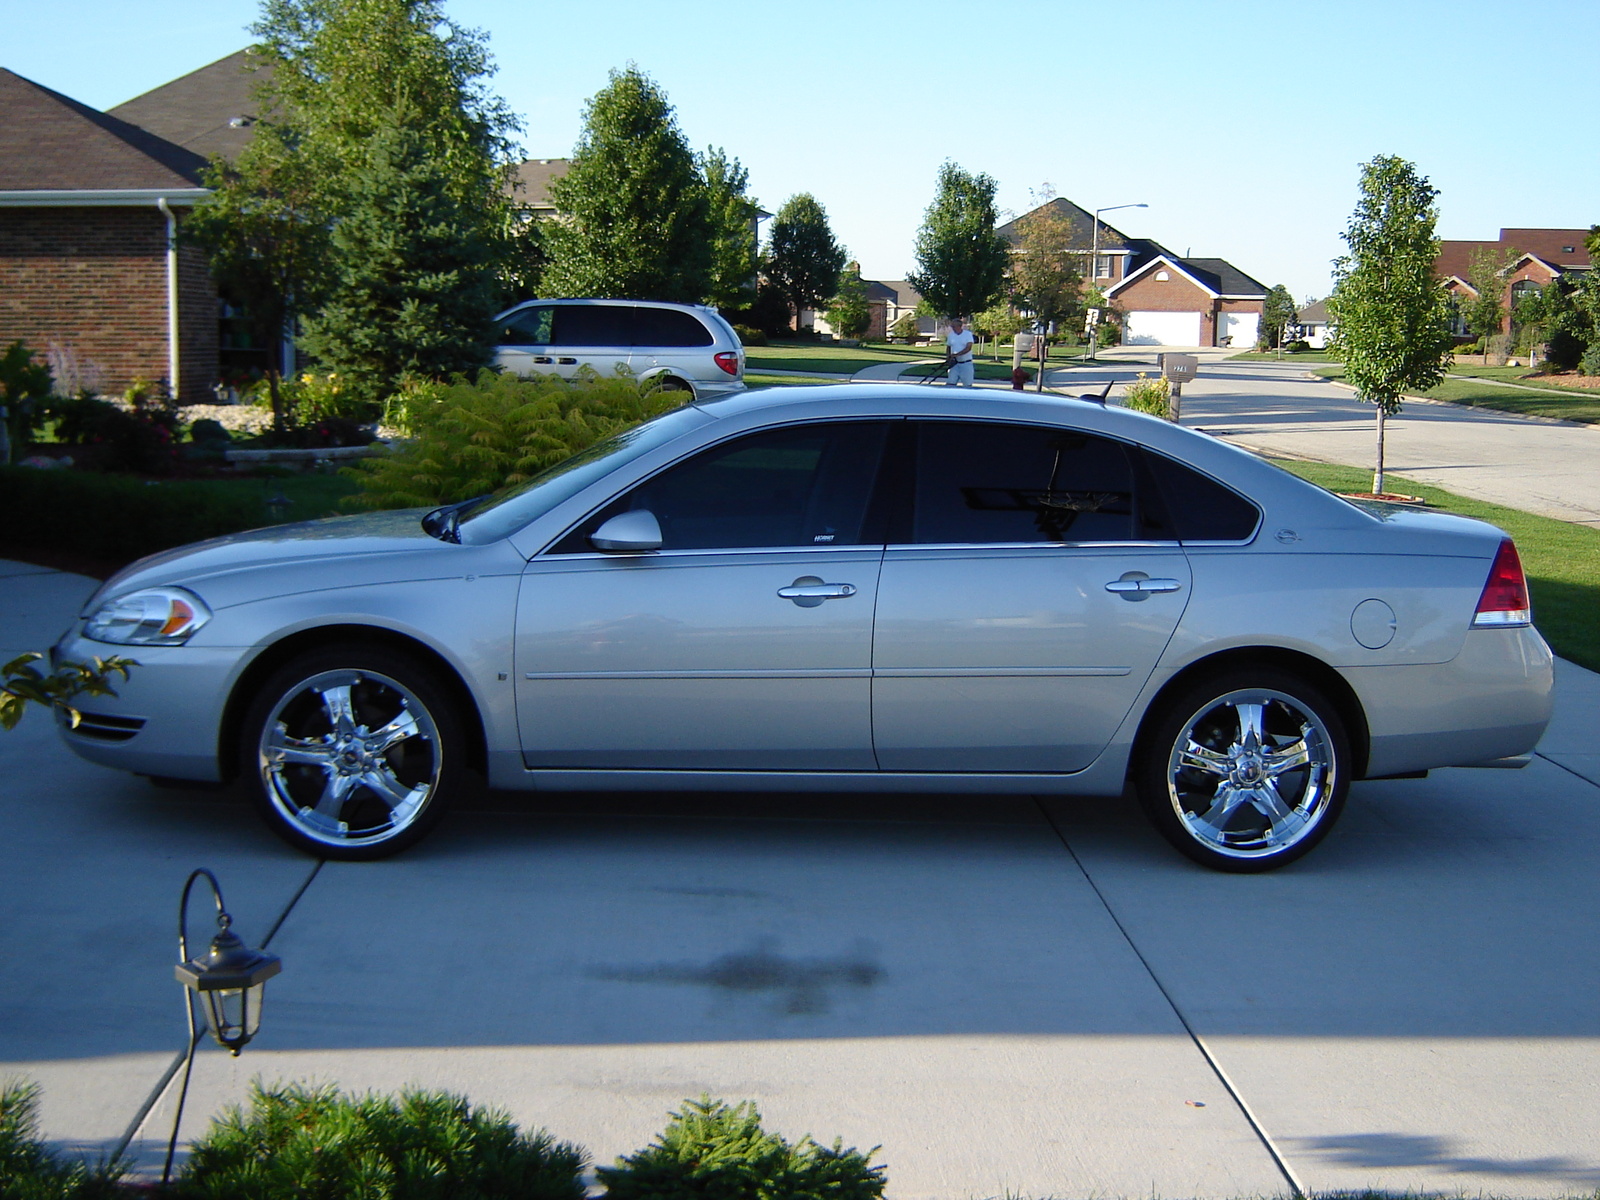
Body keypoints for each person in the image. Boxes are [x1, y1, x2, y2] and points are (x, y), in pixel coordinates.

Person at [944, 316, 976, 386]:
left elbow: (968, 348)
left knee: (967, 385)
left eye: (953, 326)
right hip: (955, 364)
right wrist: (948, 357)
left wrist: (956, 355)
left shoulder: (967, 334)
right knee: (950, 384)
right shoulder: (951, 335)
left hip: (966, 364)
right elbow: (948, 347)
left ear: (959, 326)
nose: (952, 328)